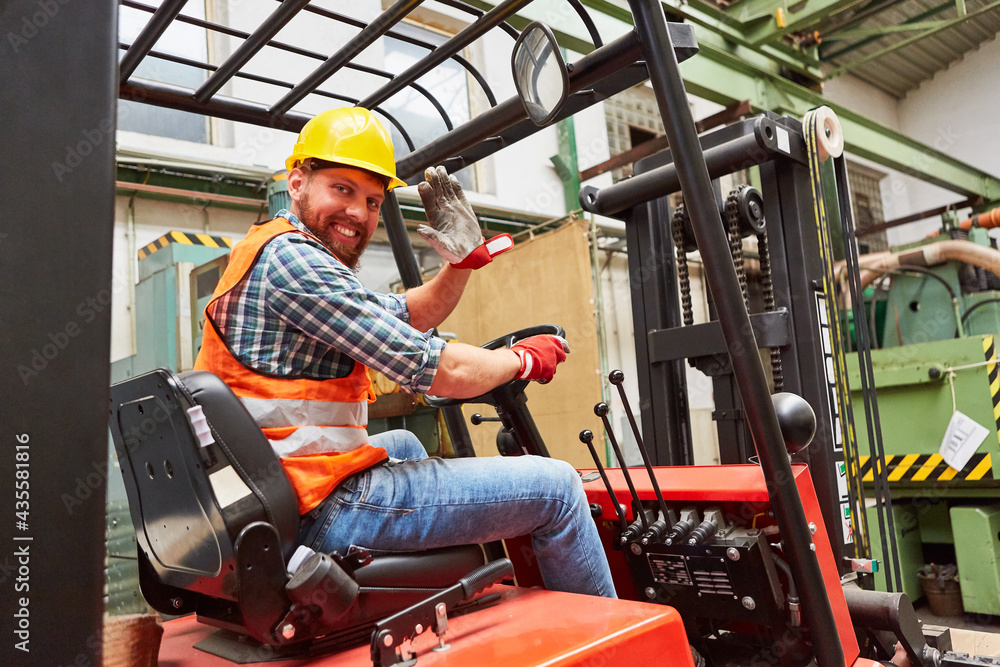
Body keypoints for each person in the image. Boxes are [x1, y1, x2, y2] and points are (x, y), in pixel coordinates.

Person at [194, 107, 616, 598]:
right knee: (559, 489)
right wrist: (522, 360)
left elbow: (410, 313)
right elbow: (441, 370)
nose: (359, 213)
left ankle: (428, 593)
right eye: (342, 189)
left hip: (276, 495)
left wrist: (461, 263)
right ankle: (615, 635)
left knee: (407, 446)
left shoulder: (274, 250)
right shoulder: (296, 261)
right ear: (298, 183)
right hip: (317, 510)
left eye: (372, 201)